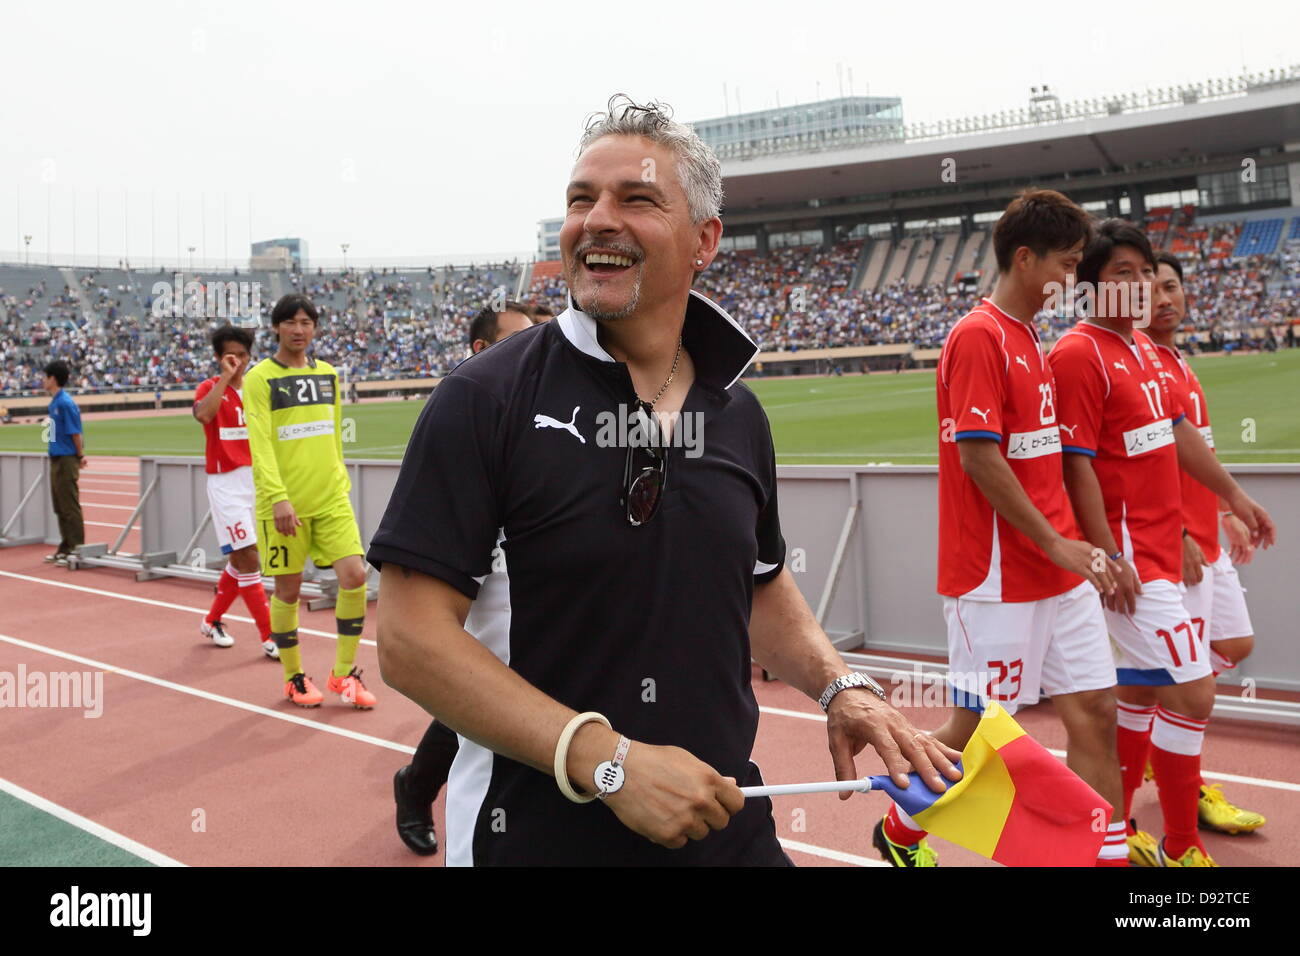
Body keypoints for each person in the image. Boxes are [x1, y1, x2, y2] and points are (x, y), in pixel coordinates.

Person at [369, 95, 961, 866]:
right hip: (538, 843)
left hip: (726, 823)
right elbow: (410, 642)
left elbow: (758, 582)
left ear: (704, 239)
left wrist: (836, 683)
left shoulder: (738, 412)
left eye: (637, 199)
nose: (597, 219)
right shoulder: (485, 398)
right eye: (582, 199)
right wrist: (608, 762)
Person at [877, 189, 1127, 868]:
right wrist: (1053, 540)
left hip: (1058, 571)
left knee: (1097, 712)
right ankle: (902, 829)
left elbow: (1043, 462)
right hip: (994, 577)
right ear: (1025, 259)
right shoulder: (978, 336)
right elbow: (979, 457)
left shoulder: (1030, 337)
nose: (1075, 280)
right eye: (1069, 264)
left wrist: (1084, 547)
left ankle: (1102, 853)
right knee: (976, 729)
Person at [1049, 220, 1276, 867]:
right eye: (1124, 272)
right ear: (1090, 285)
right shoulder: (1078, 353)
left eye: (1145, 271)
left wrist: (1234, 497)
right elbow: (1077, 464)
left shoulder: (1146, 353)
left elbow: (1179, 434)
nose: (1142, 284)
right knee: (1192, 690)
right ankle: (1178, 843)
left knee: (1145, 693)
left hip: (1160, 559)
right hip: (1131, 566)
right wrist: (1105, 554)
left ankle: (1128, 831)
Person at [392, 303, 536, 856]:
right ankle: (418, 785)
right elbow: (409, 643)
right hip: (490, 580)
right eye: (522, 340)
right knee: (482, 685)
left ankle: (418, 783)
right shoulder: (466, 407)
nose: (537, 350)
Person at [1139, 251, 1265, 835]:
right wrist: (1184, 531)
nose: (1165, 297)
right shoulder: (1141, 363)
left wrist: (1222, 511)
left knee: (1234, 644)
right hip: (1171, 546)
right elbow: (1145, 464)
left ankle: (1162, 761)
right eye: (1152, 287)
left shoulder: (1181, 365)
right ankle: (1180, 789)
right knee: (1180, 685)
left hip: (1203, 535)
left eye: (1173, 286)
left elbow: (1195, 456)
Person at [243, 293, 377, 709]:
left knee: (355, 576)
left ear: (315, 328)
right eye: (291, 322)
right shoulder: (259, 378)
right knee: (288, 589)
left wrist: (339, 480)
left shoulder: (328, 375)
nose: (299, 330)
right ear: (276, 327)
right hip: (285, 506)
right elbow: (260, 444)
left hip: (331, 499)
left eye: (306, 322)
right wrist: (279, 498)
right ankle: (293, 676)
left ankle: (342, 674)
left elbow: (333, 435)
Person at [191, 323, 278, 659]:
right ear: (218, 358)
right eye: (231, 356)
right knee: (249, 557)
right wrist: (226, 379)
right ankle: (270, 636)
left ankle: (212, 620)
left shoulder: (257, 389)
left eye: (243, 356)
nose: (239, 362)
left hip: (256, 481)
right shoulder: (210, 387)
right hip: (226, 483)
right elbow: (204, 415)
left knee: (239, 558)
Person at [42, 360, 86, 566]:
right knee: (59, 505)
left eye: (45, 377)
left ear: (53, 379)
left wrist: (80, 456)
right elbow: (52, 432)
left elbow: (76, 432)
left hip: (67, 458)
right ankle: (66, 545)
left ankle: (77, 547)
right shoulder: (54, 403)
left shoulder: (65, 403)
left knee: (69, 505)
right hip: (56, 457)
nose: (42, 381)